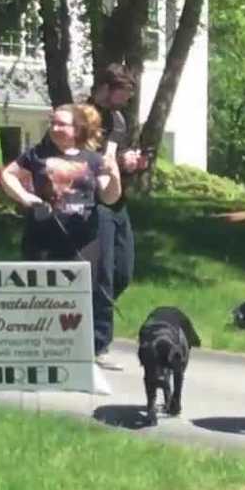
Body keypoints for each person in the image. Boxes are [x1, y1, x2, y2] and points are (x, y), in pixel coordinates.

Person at [0, 104, 122, 356]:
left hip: (84, 238)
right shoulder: (36, 155)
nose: (55, 128)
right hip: (43, 237)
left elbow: (110, 198)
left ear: (77, 129)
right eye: (52, 123)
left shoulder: (93, 160)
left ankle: (96, 348)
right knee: (42, 294)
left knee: (93, 292)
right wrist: (25, 197)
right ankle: (43, 346)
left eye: (61, 124)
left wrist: (115, 176)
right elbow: (7, 175)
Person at [88, 64, 146, 371]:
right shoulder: (83, 117)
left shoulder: (119, 120)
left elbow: (117, 158)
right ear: (106, 88)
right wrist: (110, 161)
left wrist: (131, 162)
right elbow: (77, 158)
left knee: (123, 270)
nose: (124, 102)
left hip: (117, 199)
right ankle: (98, 343)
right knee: (103, 274)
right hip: (93, 203)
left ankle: (88, 318)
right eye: (122, 95)